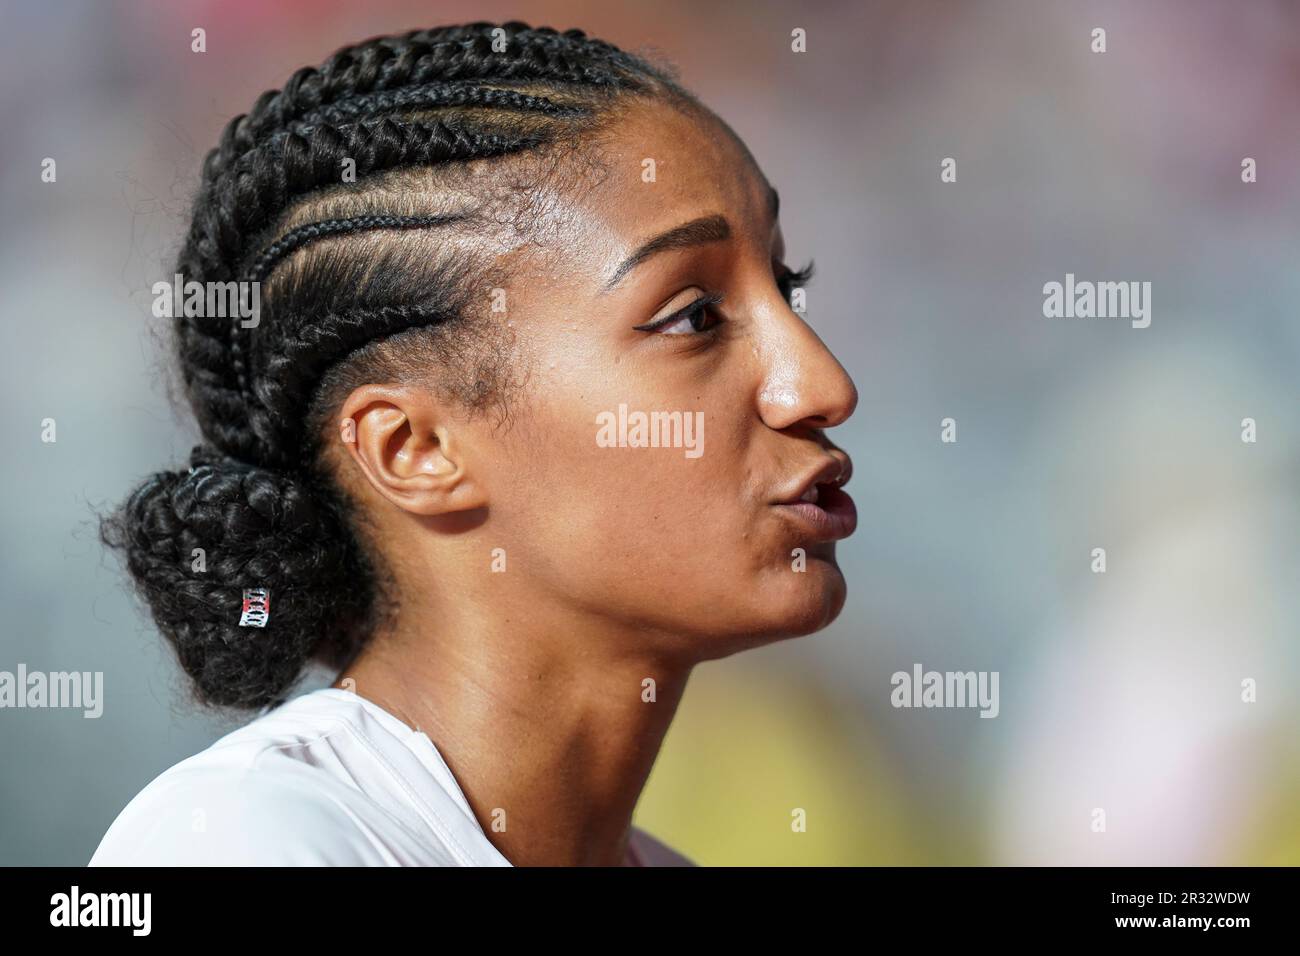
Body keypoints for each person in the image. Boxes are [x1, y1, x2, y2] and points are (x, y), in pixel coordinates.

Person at [91, 20, 857, 867]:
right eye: (694, 318)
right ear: (415, 449)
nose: (821, 387)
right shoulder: (244, 840)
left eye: (787, 287)